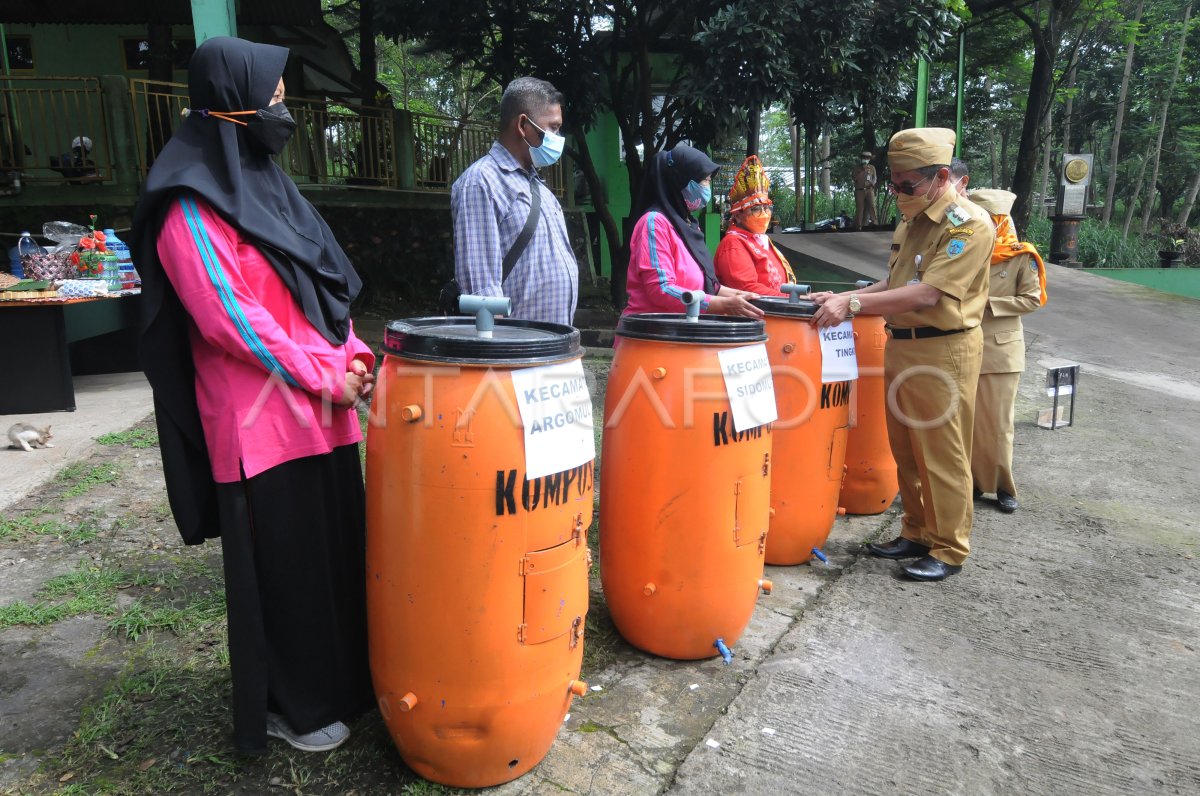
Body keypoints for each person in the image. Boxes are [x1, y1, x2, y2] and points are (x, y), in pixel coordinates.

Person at [130, 37, 375, 755]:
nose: (281, 108)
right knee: (285, 571)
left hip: (324, 414)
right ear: (229, 102)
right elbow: (230, 317)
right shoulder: (189, 204)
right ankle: (289, 706)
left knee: (336, 555)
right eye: (269, 96)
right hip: (261, 425)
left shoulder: (274, 188)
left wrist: (353, 352)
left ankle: (343, 682)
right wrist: (323, 373)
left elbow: (325, 281)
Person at [810, 128, 994, 581]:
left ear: (942, 177)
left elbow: (928, 294)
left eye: (906, 184)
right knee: (906, 449)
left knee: (942, 452)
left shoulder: (968, 224)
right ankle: (915, 530)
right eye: (892, 183)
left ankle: (949, 548)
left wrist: (851, 306)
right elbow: (895, 286)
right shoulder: (912, 219)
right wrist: (839, 297)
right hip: (902, 346)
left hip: (943, 350)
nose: (896, 194)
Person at [451, 76, 578, 325]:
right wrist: (499, 356)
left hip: (553, 346)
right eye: (552, 127)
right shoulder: (482, 182)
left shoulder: (536, 186)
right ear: (523, 124)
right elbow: (481, 291)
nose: (557, 136)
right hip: (517, 353)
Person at [967, 188, 1047, 514]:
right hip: (963, 346)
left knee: (999, 424)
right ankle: (971, 482)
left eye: (989, 219)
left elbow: (1032, 299)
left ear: (1001, 221)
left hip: (1001, 351)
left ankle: (1003, 487)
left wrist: (987, 304)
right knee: (966, 423)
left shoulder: (1020, 256)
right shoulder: (965, 251)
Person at [623, 143, 762, 318]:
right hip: (652, 334)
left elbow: (709, 286)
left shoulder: (688, 224)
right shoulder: (654, 223)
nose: (707, 187)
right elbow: (661, 289)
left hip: (686, 332)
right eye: (705, 180)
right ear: (681, 181)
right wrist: (722, 305)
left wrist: (747, 298)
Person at [714, 155, 796, 295]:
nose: (764, 213)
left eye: (767, 207)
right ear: (738, 215)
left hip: (775, 310)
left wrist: (803, 297)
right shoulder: (733, 244)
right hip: (755, 314)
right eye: (756, 209)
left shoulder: (759, 239)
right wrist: (792, 299)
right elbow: (746, 290)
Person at [852, 151, 878, 229]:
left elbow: (875, 178)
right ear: (861, 158)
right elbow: (854, 178)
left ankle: (875, 223)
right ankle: (859, 225)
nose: (865, 160)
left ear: (869, 159)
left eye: (867, 158)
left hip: (869, 189)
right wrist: (862, 170)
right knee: (860, 208)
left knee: (872, 205)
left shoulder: (872, 168)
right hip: (859, 190)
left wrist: (872, 184)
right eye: (864, 158)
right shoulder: (857, 168)